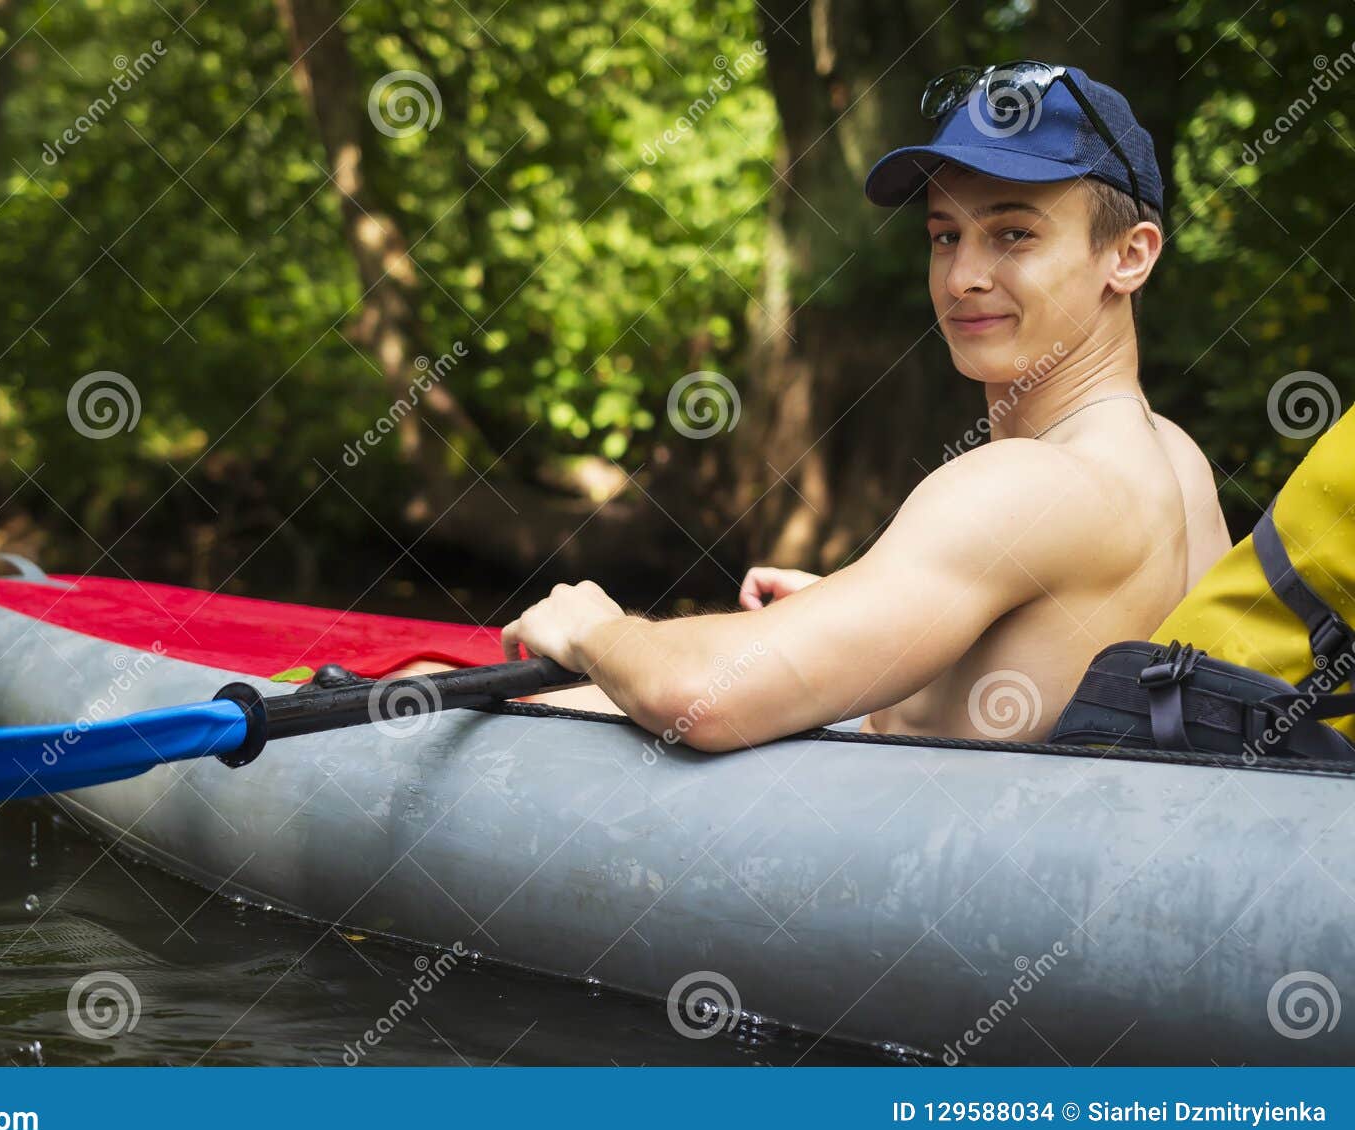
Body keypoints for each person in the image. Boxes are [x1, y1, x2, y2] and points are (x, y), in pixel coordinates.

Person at [394, 63, 1229, 750]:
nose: (964, 276)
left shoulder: (1024, 483)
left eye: (1014, 234)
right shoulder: (1177, 464)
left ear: (1130, 254)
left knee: (412, 693)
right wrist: (863, 604)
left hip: (914, 907)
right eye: (946, 235)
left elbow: (702, 699)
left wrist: (592, 630)